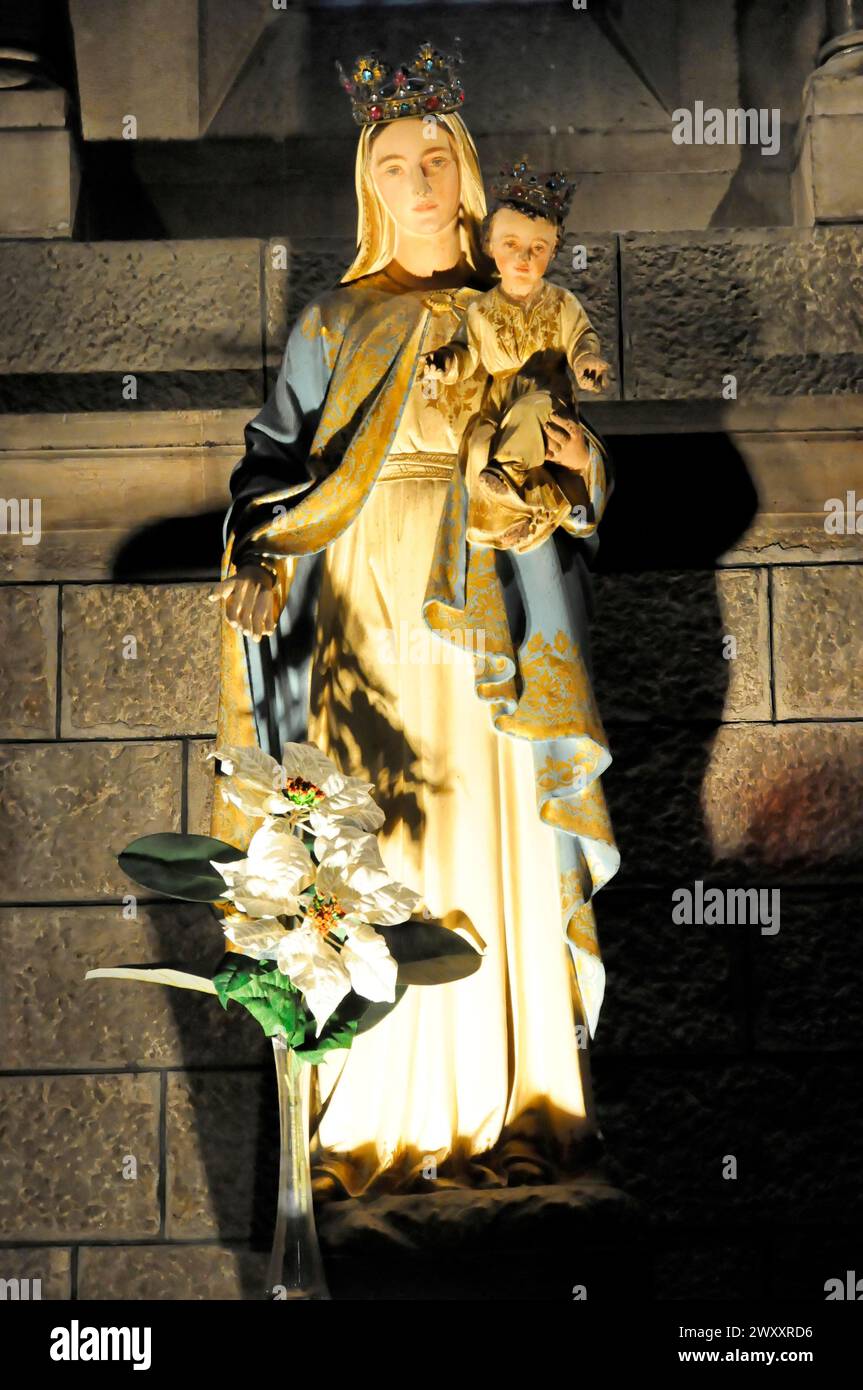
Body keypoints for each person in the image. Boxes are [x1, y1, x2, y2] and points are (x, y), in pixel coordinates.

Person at [210, 44, 620, 1199]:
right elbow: (267, 469)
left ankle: (517, 1106)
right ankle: (374, 1129)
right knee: (377, 839)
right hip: (357, 604)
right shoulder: (332, 322)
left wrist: (580, 460)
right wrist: (254, 556)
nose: (421, 175)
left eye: (438, 155)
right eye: (395, 161)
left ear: (466, 169)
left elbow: (568, 458)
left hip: (482, 606)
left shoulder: (517, 310)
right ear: (369, 185)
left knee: (490, 837)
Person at [421, 161, 612, 553]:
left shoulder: (561, 303)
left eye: (538, 248)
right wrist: (446, 363)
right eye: (512, 244)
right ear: (490, 246)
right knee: (478, 444)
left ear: (554, 252)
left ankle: (513, 481)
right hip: (499, 400)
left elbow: (581, 339)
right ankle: (505, 515)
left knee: (531, 412)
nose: (524, 257)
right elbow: (468, 351)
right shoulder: (480, 310)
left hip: (546, 395)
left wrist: (586, 363)